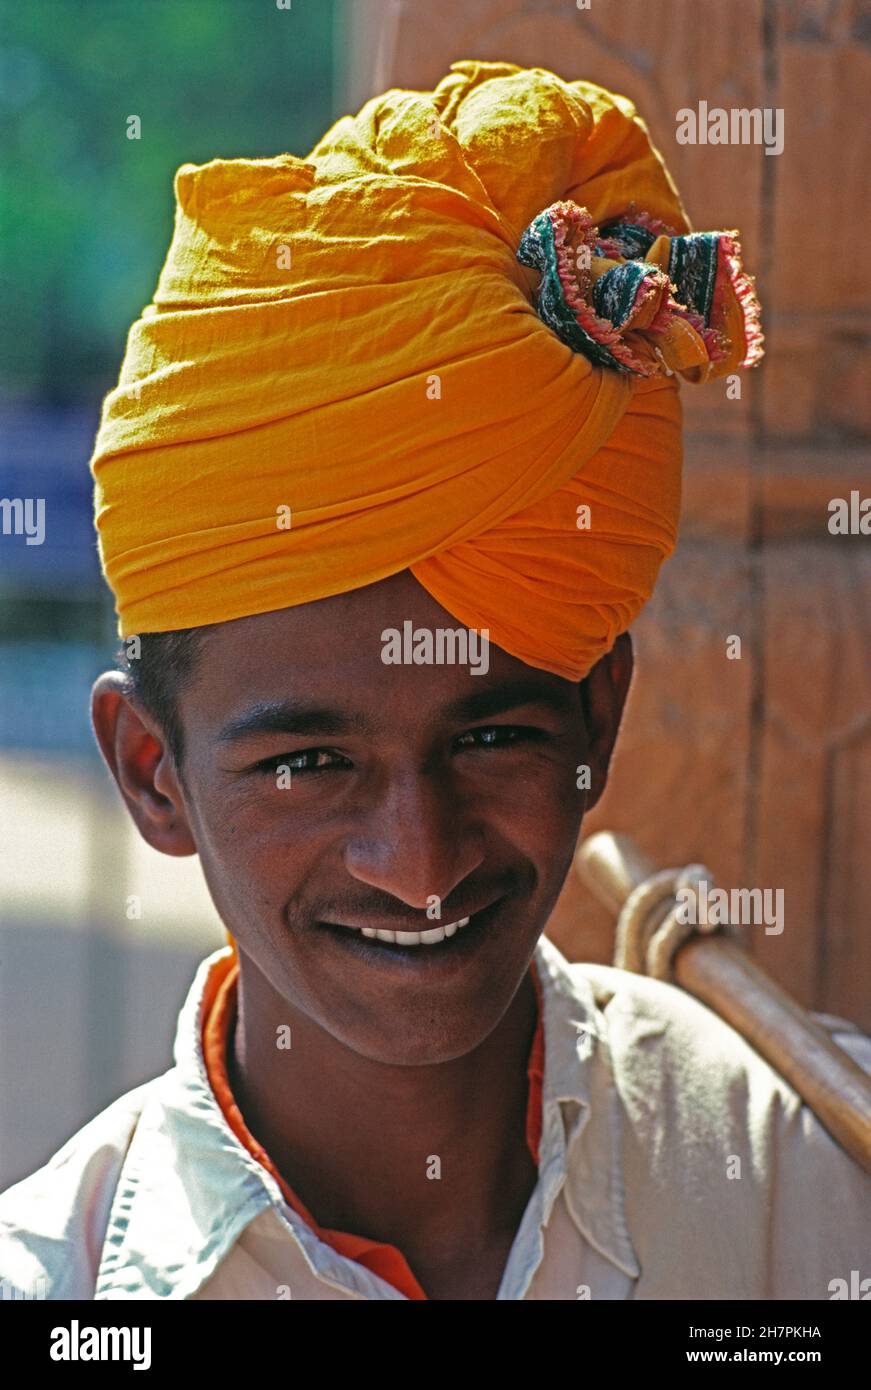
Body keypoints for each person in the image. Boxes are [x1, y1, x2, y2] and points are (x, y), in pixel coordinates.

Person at [1, 59, 868, 1302]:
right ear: (153, 773)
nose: (420, 863)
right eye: (308, 763)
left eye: (491, 739)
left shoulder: (813, 1189)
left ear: (598, 719)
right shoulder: (60, 1287)